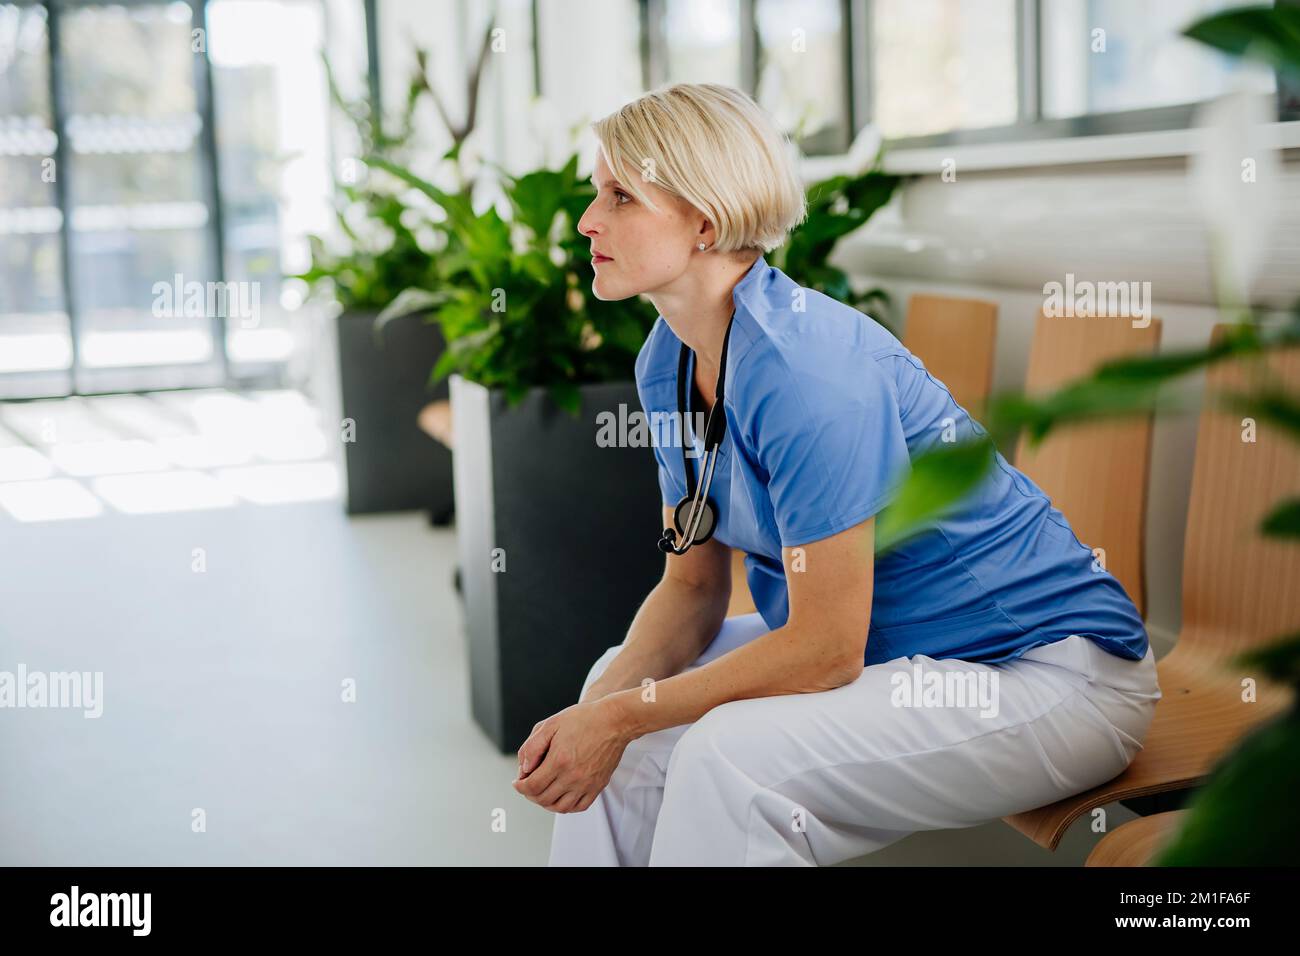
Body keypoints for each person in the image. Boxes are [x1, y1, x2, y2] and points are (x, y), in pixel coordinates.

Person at [512, 82, 1162, 867]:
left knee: (726, 756)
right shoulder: (669, 364)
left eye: (620, 195)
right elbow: (692, 589)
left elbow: (825, 651)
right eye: (595, 191)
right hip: (898, 653)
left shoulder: (806, 370)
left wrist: (620, 720)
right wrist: (603, 714)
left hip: (1047, 674)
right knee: (605, 692)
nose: (587, 220)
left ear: (705, 221)